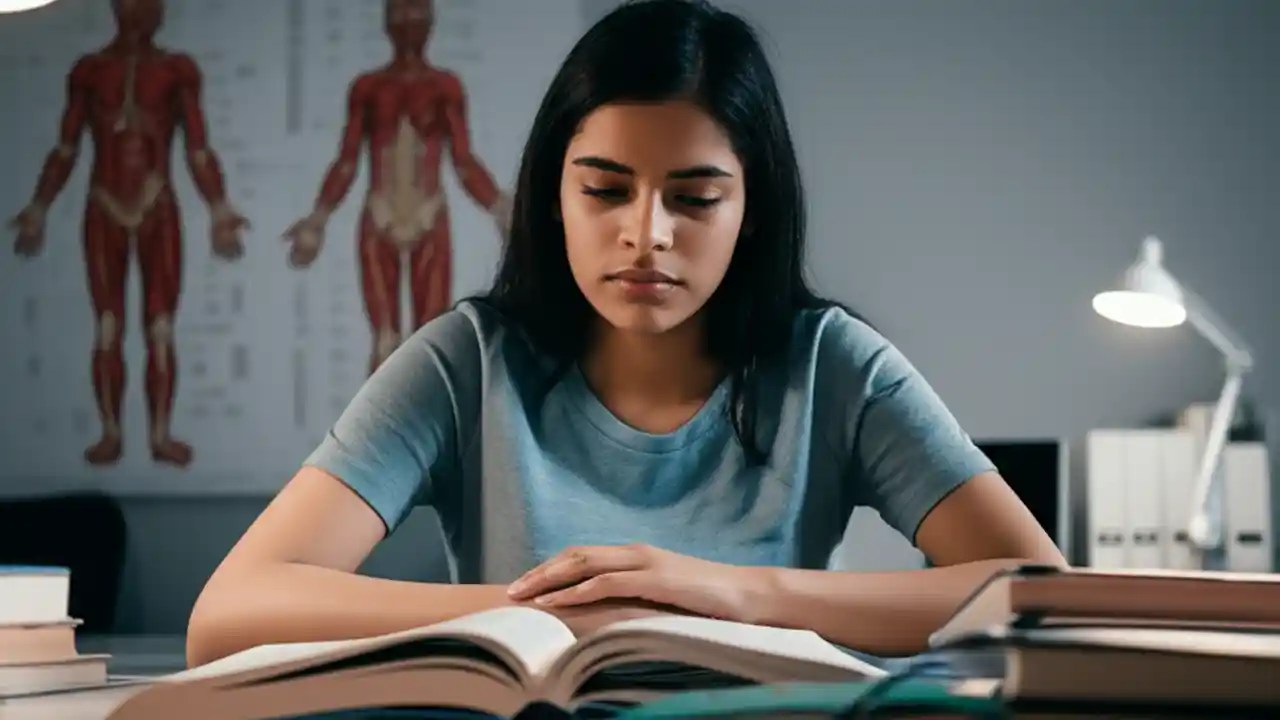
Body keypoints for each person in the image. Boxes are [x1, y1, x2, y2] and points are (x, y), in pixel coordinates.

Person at [187, 0, 1064, 667]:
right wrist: (536, 614)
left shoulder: (834, 367)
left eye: (694, 197)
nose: (647, 234)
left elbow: (1038, 593)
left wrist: (735, 595)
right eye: (605, 190)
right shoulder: (466, 363)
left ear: (751, 209)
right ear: (553, 196)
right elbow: (229, 611)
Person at [9, 0, 248, 468]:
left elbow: (198, 148)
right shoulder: (90, 71)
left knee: (159, 329)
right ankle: (112, 433)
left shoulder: (176, 70)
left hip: (157, 206)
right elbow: (66, 146)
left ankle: (159, 433)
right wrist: (38, 207)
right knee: (108, 327)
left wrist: (219, 208)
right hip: (105, 206)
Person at [282, 0, 512, 375]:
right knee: (385, 340)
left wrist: (500, 206)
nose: (409, 23)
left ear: (431, 23)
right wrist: (318, 219)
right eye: (401, 14)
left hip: (428, 214)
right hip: (380, 215)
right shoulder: (369, 88)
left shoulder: (444, 86)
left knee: (432, 338)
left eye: (417, 13)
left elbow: (463, 160)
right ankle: (383, 433)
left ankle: (433, 433)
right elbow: (347, 160)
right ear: (387, 23)